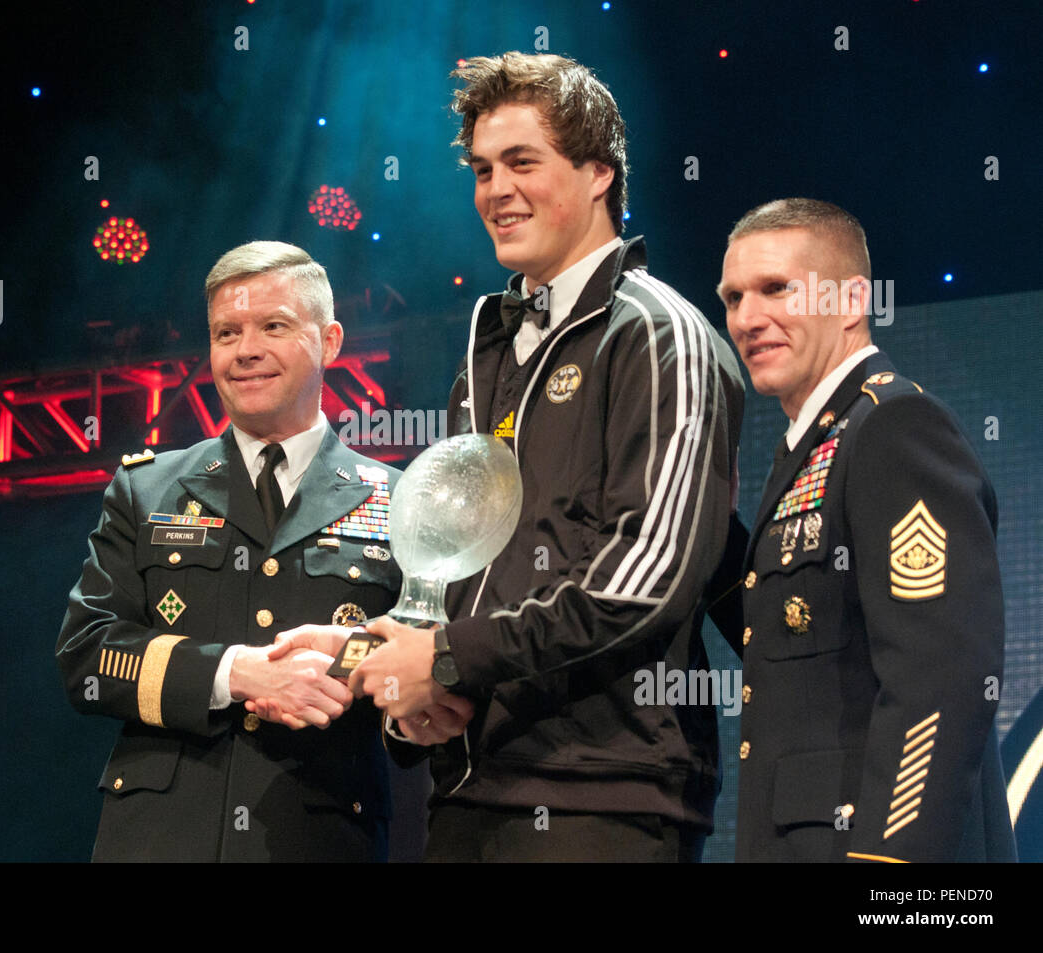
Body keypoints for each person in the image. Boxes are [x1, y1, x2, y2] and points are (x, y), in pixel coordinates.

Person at [345, 52, 746, 862]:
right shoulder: (488, 351)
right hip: (469, 785)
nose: (496, 190)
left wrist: (451, 658)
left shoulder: (659, 335)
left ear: (599, 172)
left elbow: (647, 577)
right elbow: (470, 562)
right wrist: (417, 685)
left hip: (603, 790)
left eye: (523, 162)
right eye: (484, 169)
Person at [56, 241, 407, 861]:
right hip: (161, 839)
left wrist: (350, 670)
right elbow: (87, 658)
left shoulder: (398, 500)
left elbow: (431, 672)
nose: (245, 350)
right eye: (226, 332)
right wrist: (237, 673)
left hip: (319, 839)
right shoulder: (147, 487)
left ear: (328, 342)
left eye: (273, 326)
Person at [717, 197, 1016, 862]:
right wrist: (712, 539)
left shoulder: (891, 426)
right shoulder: (814, 446)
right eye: (733, 296)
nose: (747, 318)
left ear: (852, 300)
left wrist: (891, 870)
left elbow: (943, 674)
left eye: (775, 289)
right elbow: (794, 641)